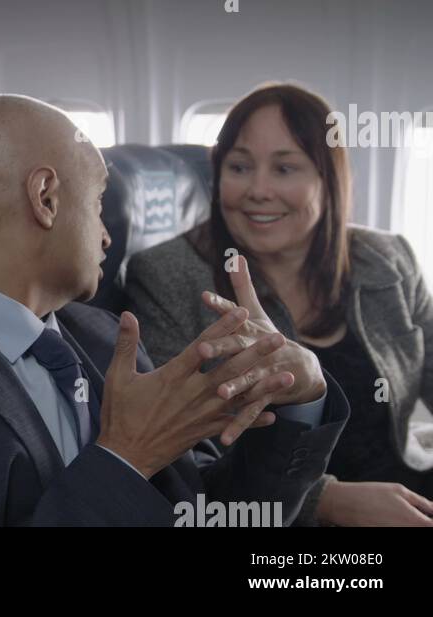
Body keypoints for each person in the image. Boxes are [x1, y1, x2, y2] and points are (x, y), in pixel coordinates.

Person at [0, 94, 349, 526]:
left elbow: (214, 513)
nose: (109, 234)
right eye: (96, 205)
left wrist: (303, 395)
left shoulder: (103, 336)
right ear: (45, 198)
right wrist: (124, 460)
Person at [126, 83, 433, 526]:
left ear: (328, 179)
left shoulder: (387, 260)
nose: (258, 190)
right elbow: (183, 460)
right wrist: (326, 500)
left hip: (407, 495)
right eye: (239, 167)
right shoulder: (169, 274)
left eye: (285, 169)